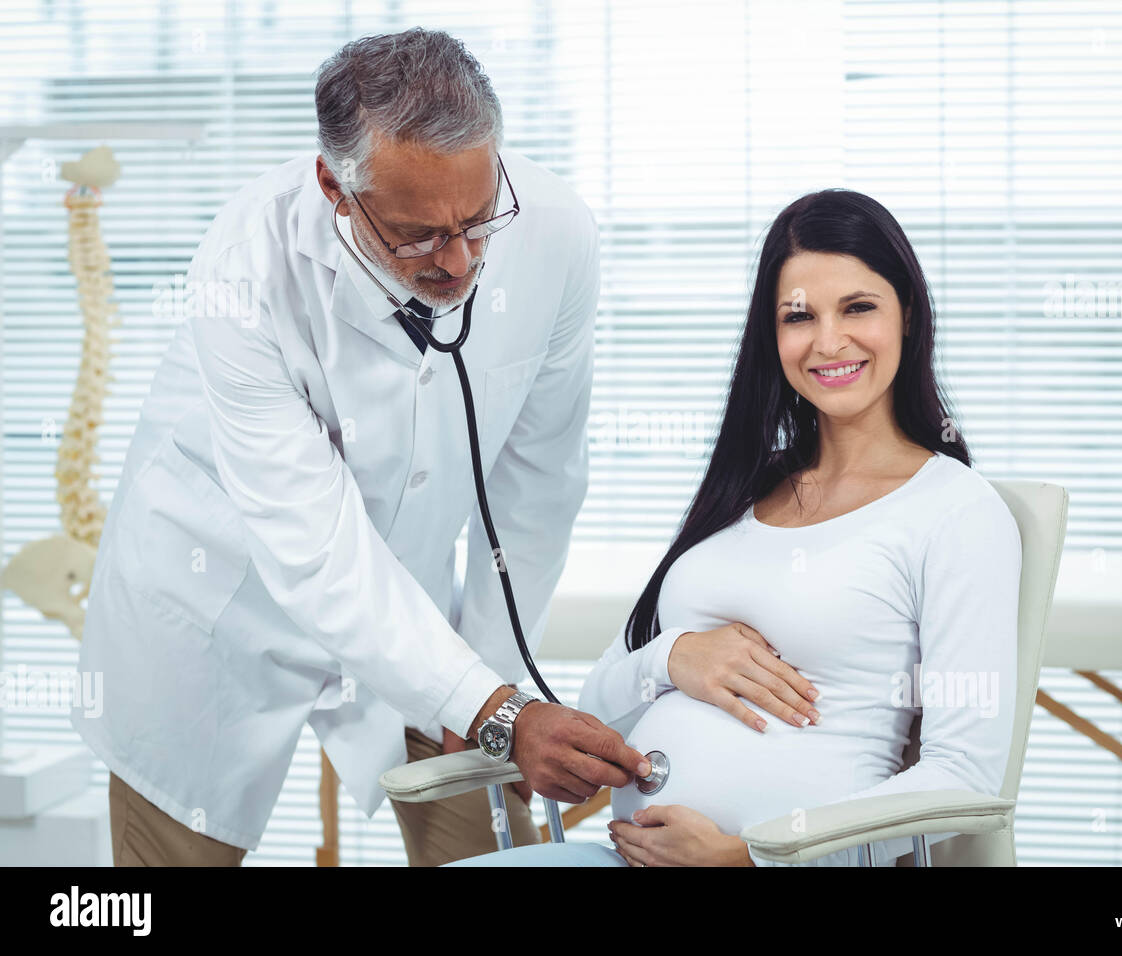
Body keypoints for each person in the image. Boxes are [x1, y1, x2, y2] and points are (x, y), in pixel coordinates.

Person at [71, 27, 654, 866]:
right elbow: (312, 544)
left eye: (479, 220)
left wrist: (490, 690)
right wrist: (494, 711)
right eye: (416, 235)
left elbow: (539, 486)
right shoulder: (246, 268)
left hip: (412, 604)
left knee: (486, 845)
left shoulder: (556, 234)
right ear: (334, 188)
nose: (457, 262)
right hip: (213, 608)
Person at [446, 188, 1022, 867]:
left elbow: (965, 779)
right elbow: (601, 707)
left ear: (909, 316)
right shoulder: (747, 487)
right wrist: (673, 657)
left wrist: (750, 858)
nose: (829, 340)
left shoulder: (956, 511)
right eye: (799, 316)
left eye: (859, 307)